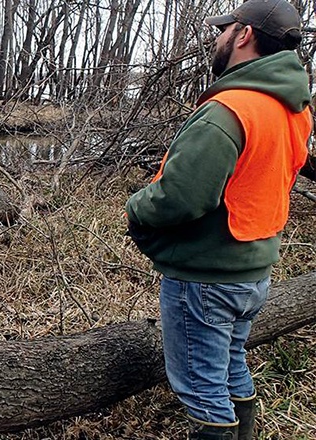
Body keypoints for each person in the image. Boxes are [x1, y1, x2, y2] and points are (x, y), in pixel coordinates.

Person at [125, 1, 311, 439]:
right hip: (253, 272)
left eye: (222, 30)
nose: (215, 38)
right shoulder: (295, 109)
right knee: (230, 366)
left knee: (203, 390)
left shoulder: (230, 109)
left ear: (243, 35)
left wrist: (137, 207)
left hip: (206, 277)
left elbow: (180, 196)